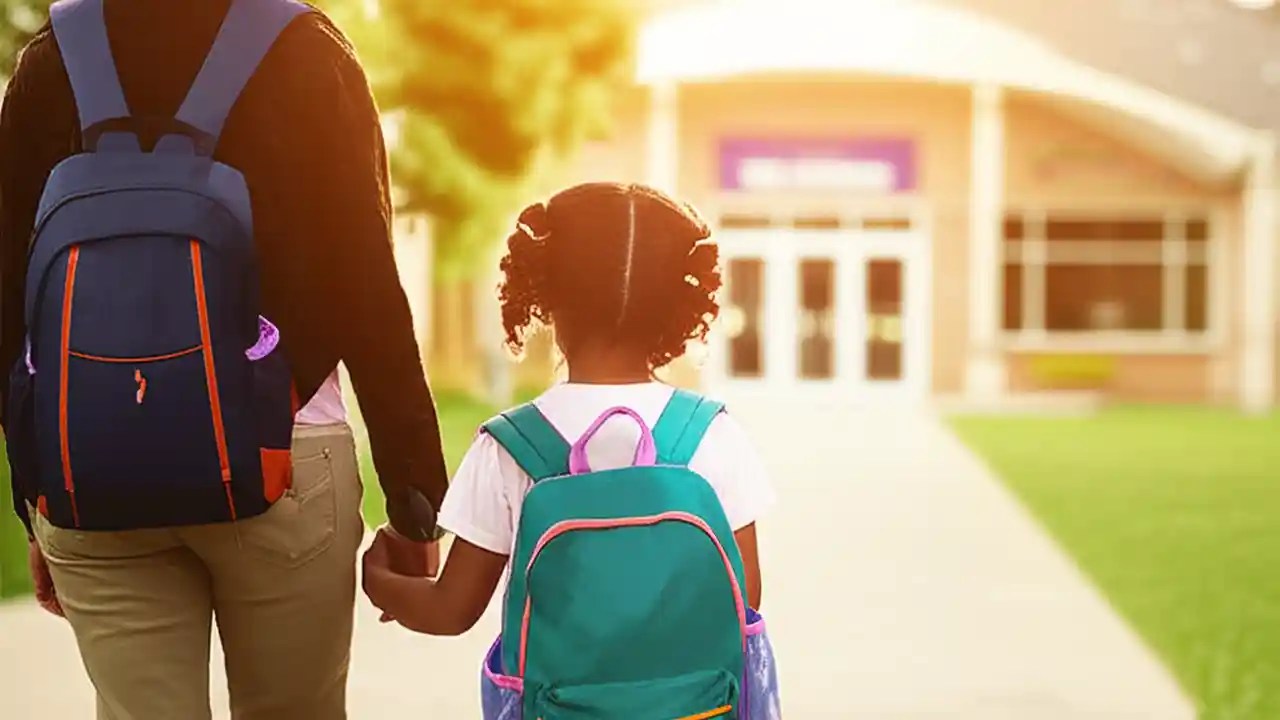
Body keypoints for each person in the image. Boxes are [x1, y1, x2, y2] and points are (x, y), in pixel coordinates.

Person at [0, 1, 449, 718]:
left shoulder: (54, 56)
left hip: (94, 466)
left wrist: (35, 496)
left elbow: (10, 301)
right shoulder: (306, 49)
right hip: (282, 456)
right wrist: (416, 501)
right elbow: (367, 285)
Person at [361, 183, 779, 716]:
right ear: (677, 308)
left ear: (546, 298)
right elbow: (743, 601)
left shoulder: (510, 446)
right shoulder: (712, 434)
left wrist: (381, 581)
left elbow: (450, 610)